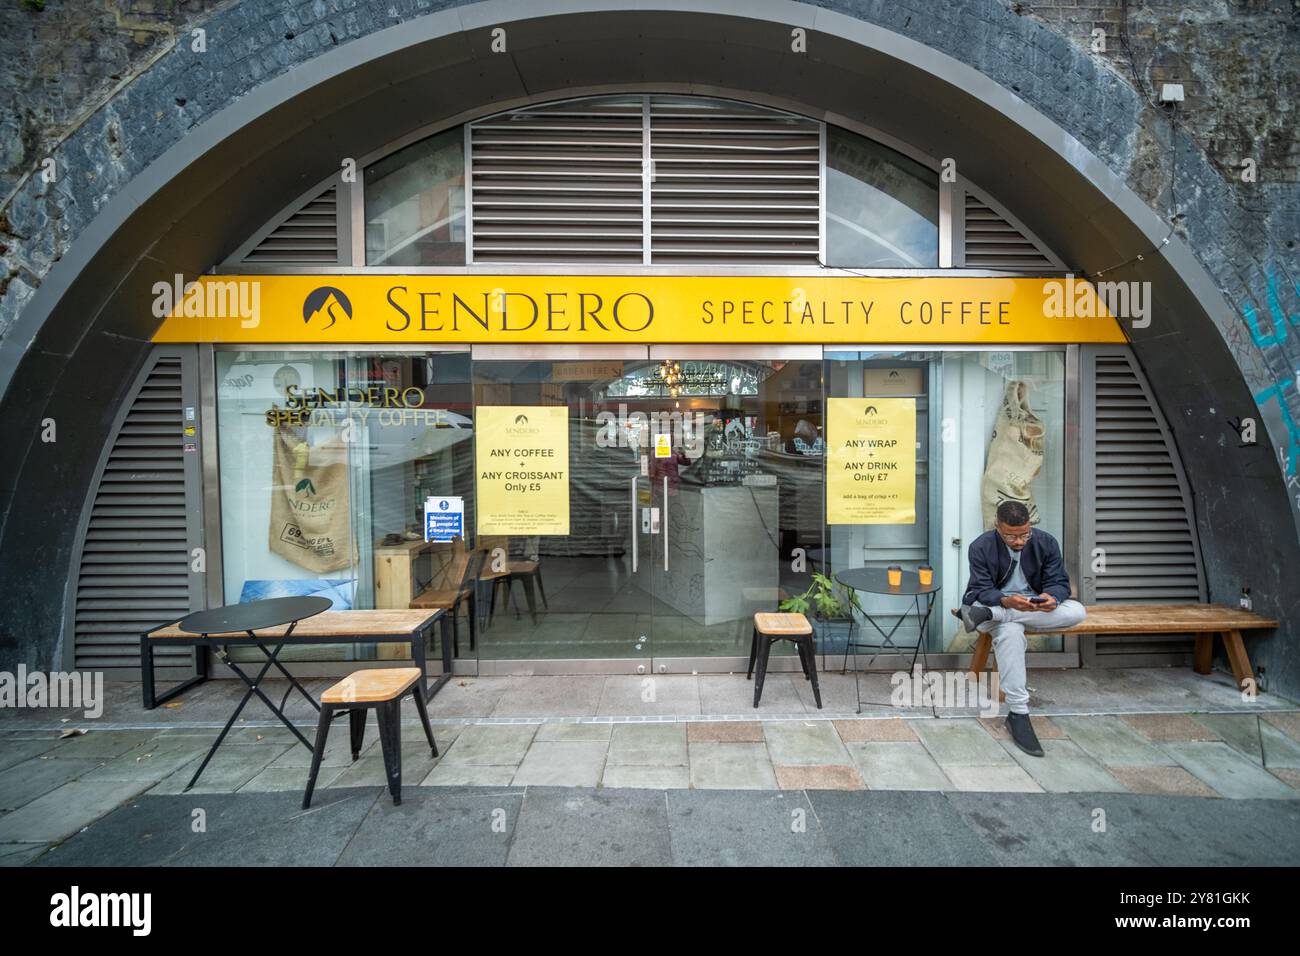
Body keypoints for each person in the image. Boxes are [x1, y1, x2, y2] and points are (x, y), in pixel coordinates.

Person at [954, 500, 1086, 756]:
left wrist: (1052, 598)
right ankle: (1019, 713)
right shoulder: (980, 546)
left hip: (1025, 609)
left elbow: (1060, 582)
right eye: (1011, 536)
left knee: (1077, 611)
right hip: (995, 602)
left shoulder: (1045, 542)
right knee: (1009, 631)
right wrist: (1005, 600)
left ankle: (987, 615)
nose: (1019, 541)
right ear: (997, 526)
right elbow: (980, 588)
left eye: (1024, 534)